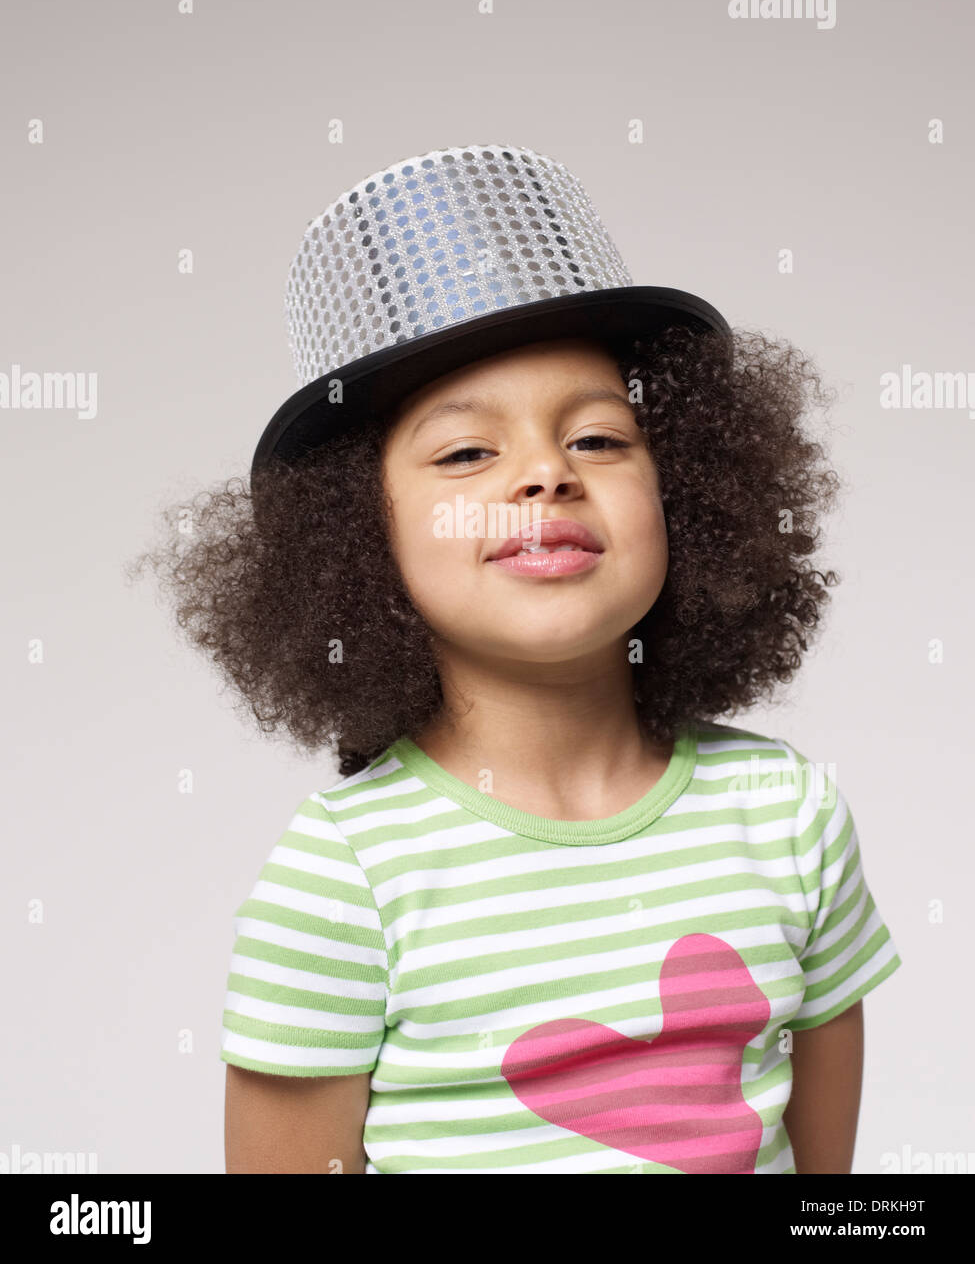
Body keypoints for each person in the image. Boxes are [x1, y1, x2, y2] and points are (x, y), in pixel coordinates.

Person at [132, 144, 901, 1173]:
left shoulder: (786, 811)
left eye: (598, 440)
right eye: (465, 454)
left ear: (687, 491)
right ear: (362, 537)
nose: (543, 473)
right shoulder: (346, 877)